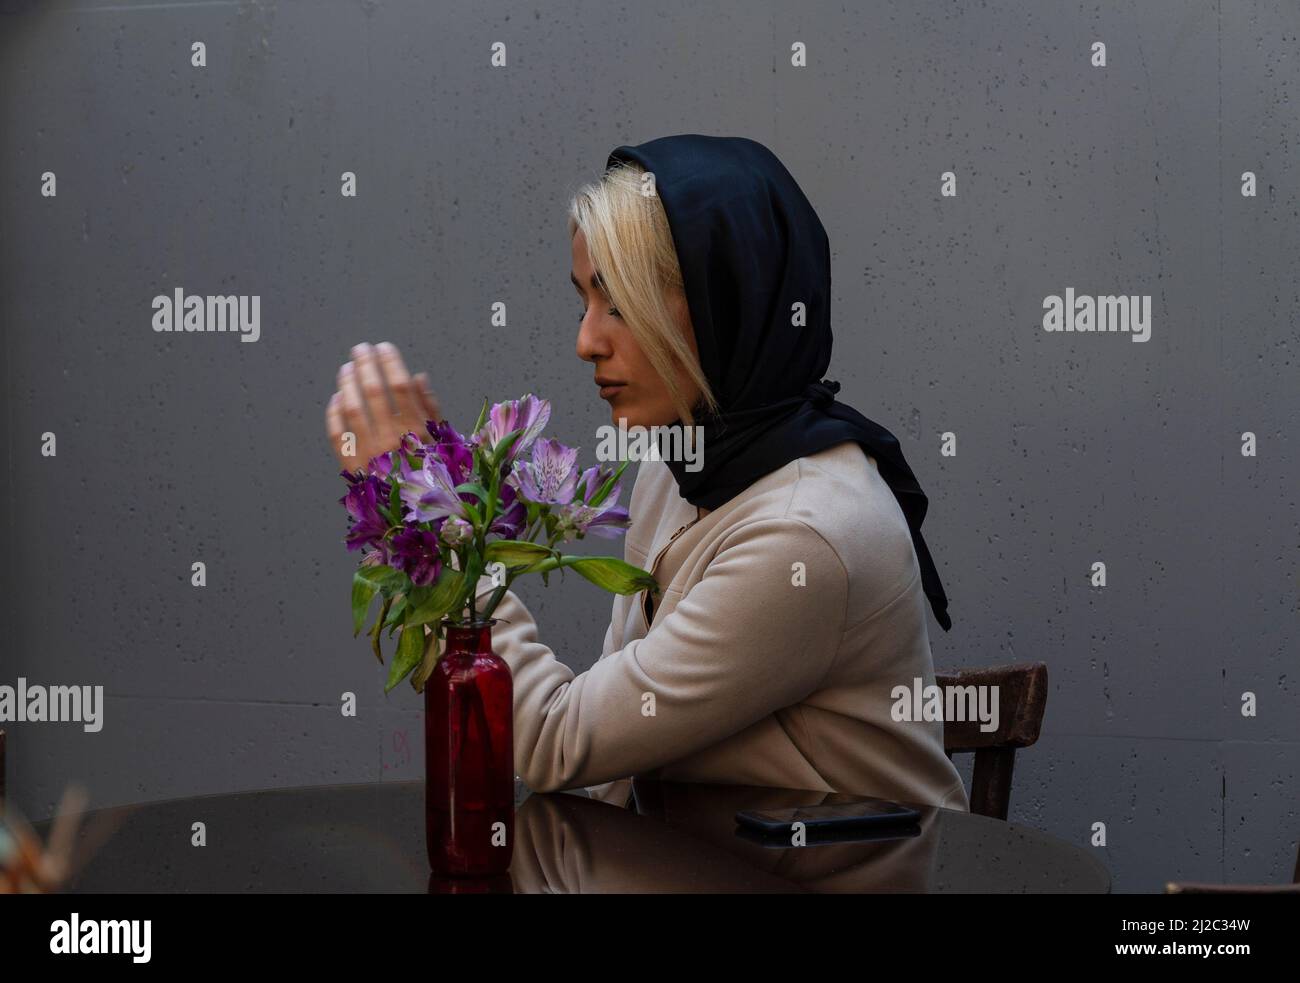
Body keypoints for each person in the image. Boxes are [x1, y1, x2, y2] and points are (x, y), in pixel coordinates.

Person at [326, 134, 969, 812]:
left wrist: (426, 505)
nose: (585, 342)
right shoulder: (680, 464)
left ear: (727, 302)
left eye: (620, 305)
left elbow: (556, 742)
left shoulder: (804, 535)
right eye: (584, 302)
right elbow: (611, 769)